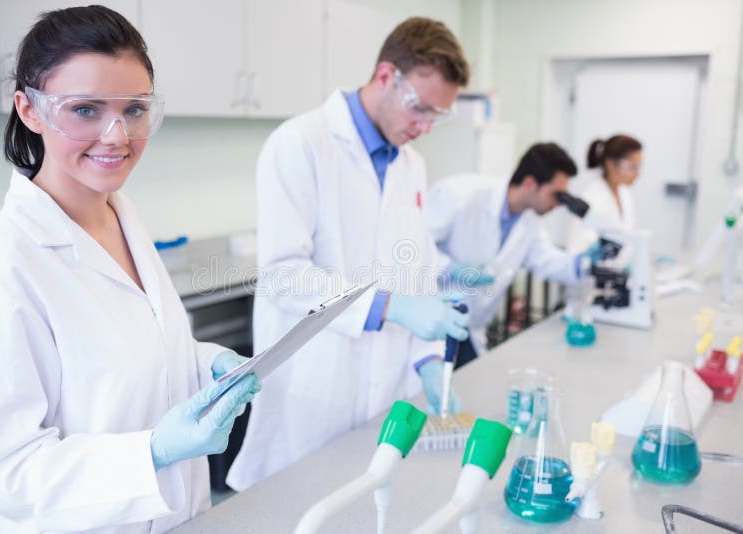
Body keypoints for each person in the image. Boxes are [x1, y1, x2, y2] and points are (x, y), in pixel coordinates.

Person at [0, 6, 260, 532]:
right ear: (29, 110)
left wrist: (204, 365)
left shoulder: (122, 219)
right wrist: (153, 452)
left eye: (134, 109)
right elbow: (7, 474)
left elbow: (128, 363)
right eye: (85, 109)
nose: (117, 135)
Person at [227, 17, 471, 491]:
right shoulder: (300, 144)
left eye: (437, 116)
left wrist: (428, 362)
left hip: (386, 394)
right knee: (300, 508)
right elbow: (283, 276)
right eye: (420, 108)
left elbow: (416, 275)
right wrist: (389, 306)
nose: (424, 126)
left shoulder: (411, 163)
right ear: (385, 76)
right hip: (314, 393)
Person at [427, 143, 593, 364]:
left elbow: (546, 261)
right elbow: (413, 247)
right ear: (530, 183)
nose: (559, 205)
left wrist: (586, 262)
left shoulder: (530, 221)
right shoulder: (459, 194)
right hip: (430, 322)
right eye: (556, 195)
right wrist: (450, 269)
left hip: (470, 329)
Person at [568, 134, 643, 252]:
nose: (637, 174)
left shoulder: (624, 193)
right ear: (611, 165)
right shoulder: (590, 198)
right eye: (632, 167)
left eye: (638, 167)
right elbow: (577, 248)